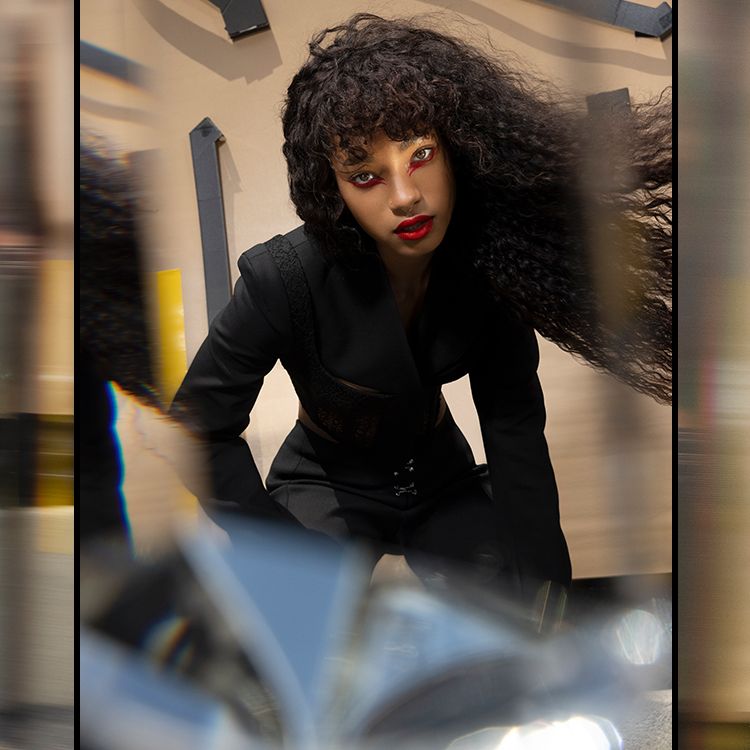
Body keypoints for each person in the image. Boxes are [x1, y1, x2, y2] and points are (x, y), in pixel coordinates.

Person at [171, 14, 672, 608]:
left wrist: (545, 591)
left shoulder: (491, 264)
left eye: (421, 154)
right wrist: (281, 553)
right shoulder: (281, 277)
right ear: (333, 188)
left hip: (441, 475)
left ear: (457, 148)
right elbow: (198, 427)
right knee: (300, 624)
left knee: (514, 614)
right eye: (366, 175)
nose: (406, 195)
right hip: (324, 478)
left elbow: (513, 426)